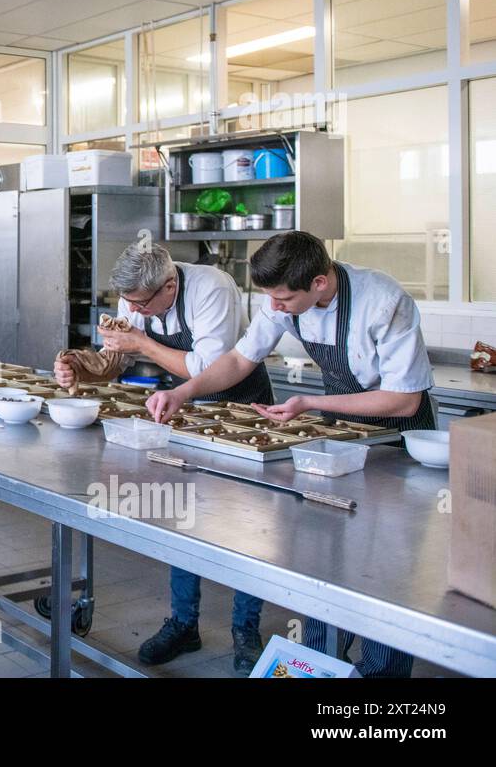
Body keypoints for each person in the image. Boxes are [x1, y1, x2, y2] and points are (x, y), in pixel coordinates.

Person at [148, 231, 434, 678]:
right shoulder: (286, 298)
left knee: (384, 568)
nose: (275, 308)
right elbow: (241, 359)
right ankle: (320, 664)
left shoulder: (384, 302)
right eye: (271, 299)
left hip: (397, 445)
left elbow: (403, 400)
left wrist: (311, 404)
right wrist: (185, 391)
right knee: (325, 549)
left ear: (320, 283)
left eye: (283, 300)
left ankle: (382, 675)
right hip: (343, 438)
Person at [55, 244, 273, 673]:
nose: (132, 309)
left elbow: (209, 367)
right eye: (129, 302)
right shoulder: (136, 294)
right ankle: (183, 623)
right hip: (184, 412)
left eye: (140, 304)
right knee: (183, 518)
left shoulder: (212, 288)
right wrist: (78, 366)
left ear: (169, 286)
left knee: (249, 526)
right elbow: (114, 361)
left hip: (242, 412)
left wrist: (138, 340)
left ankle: (246, 631)